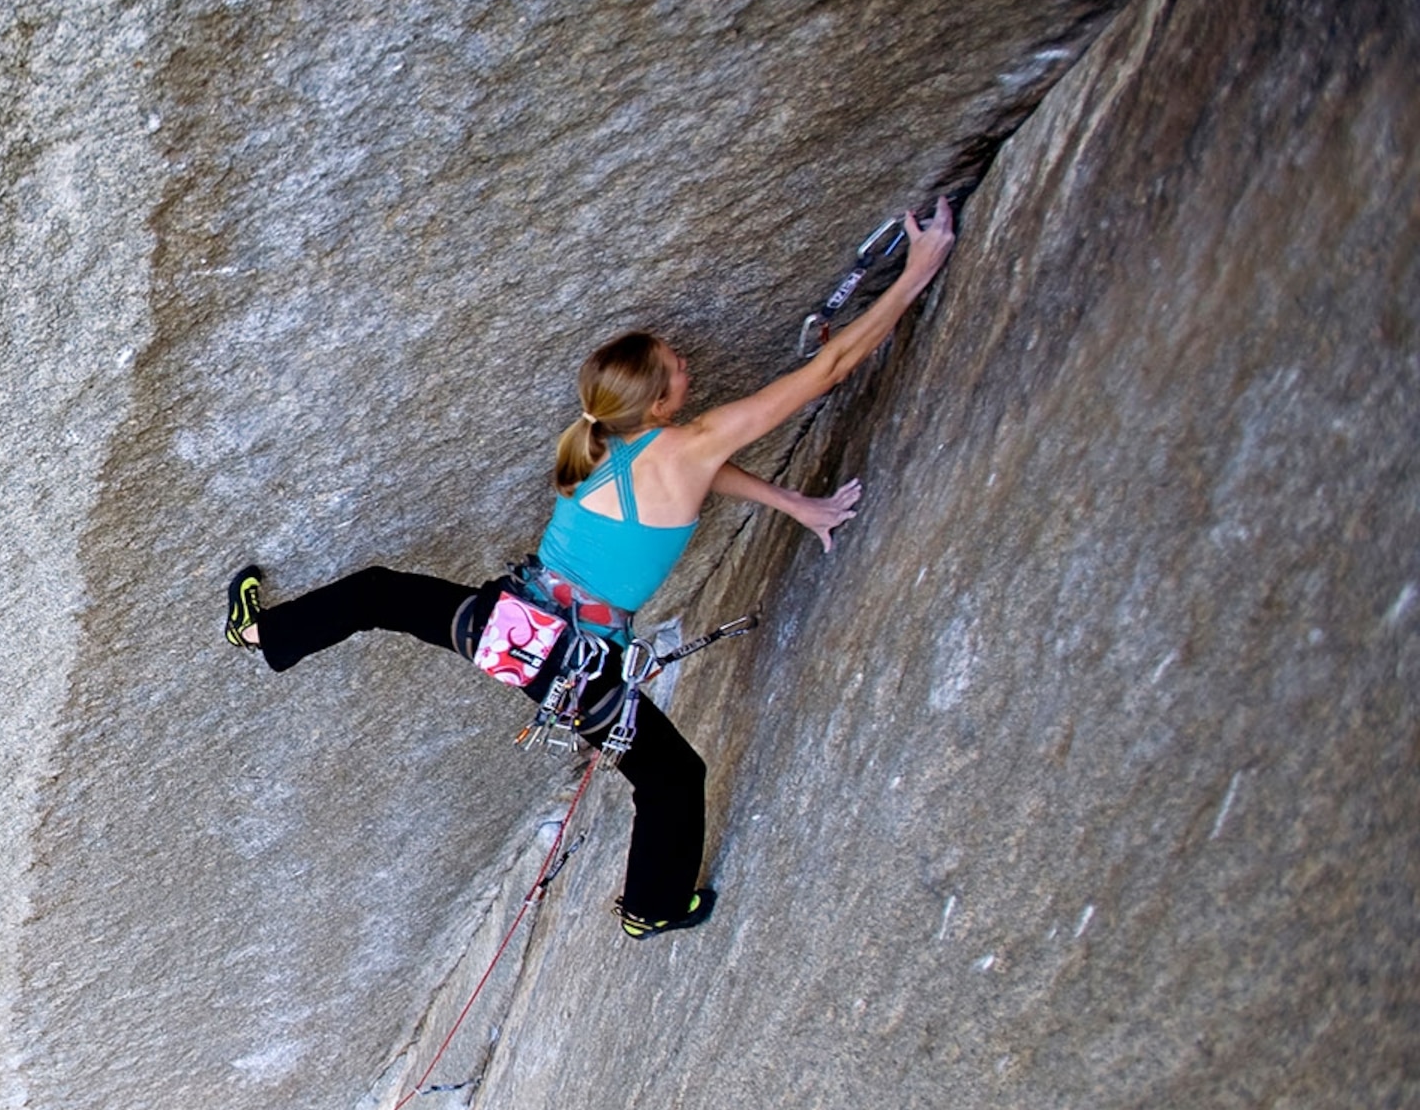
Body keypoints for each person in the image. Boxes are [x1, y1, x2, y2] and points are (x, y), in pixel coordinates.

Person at [224, 198, 958, 937]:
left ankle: (263, 636)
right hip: (573, 664)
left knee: (381, 592)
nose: (687, 364)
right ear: (661, 402)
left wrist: (790, 503)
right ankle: (651, 909)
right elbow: (828, 365)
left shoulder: (598, 444)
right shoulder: (687, 442)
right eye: (677, 366)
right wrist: (916, 274)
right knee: (674, 780)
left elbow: (696, 479)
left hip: (505, 622)